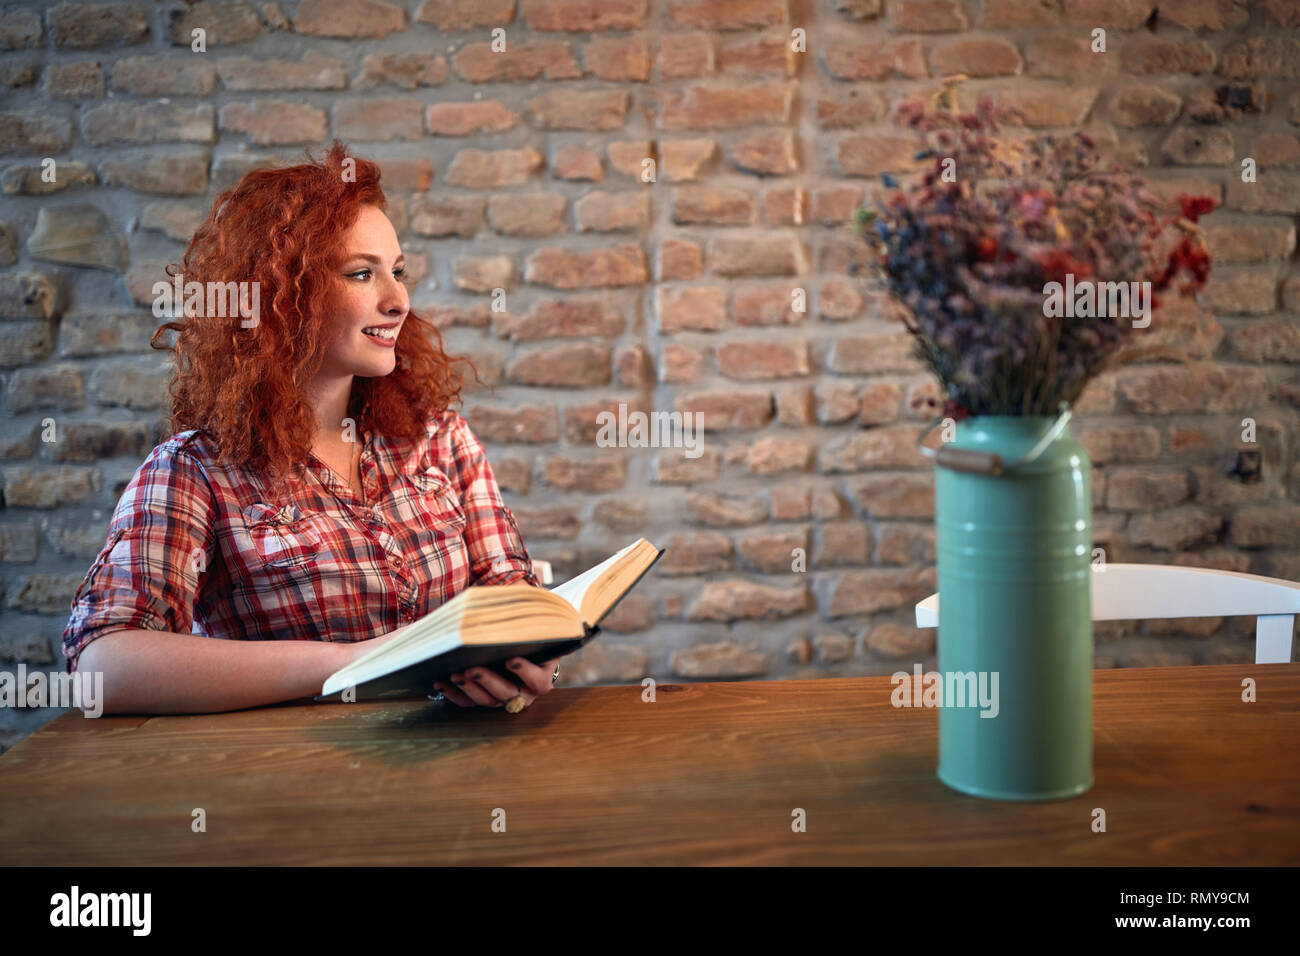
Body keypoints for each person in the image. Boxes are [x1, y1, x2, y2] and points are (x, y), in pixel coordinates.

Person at [61, 140, 559, 716]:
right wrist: (365, 659)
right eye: (360, 274)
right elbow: (103, 664)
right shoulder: (195, 471)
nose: (398, 300)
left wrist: (530, 651)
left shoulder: (441, 440)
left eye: (397, 272)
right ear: (282, 299)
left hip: (466, 760)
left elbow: (511, 588)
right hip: (287, 781)